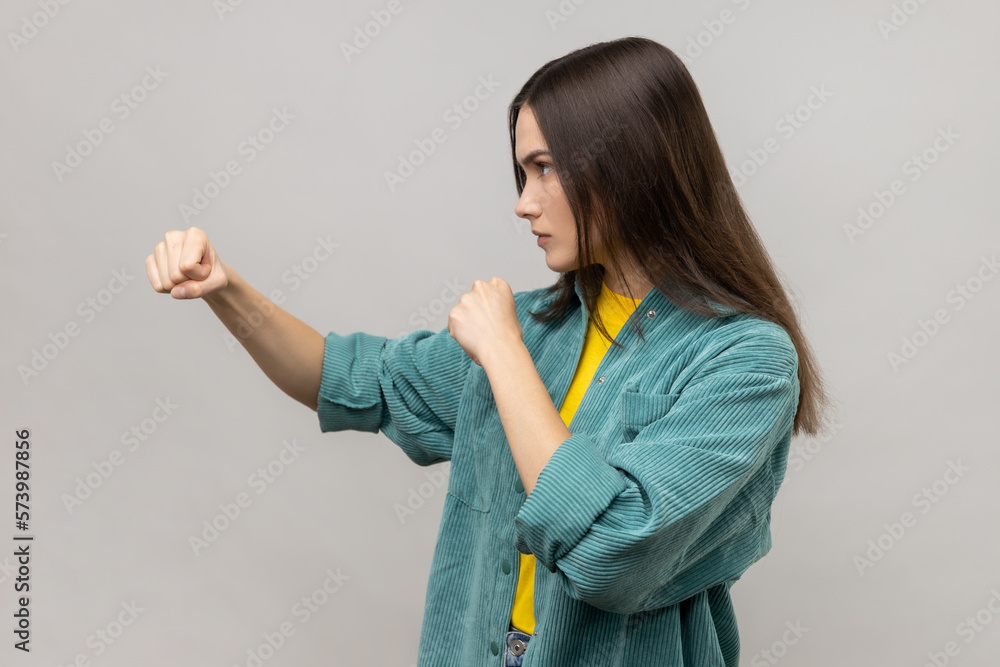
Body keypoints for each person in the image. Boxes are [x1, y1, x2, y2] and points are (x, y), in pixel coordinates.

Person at [146, 35, 831, 667]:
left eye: (543, 170)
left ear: (627, 165)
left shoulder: (747, 361)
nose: (522, 203)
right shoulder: (535, 323)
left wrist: (503, 355)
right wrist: (224, 289)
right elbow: (349, 380)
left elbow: (612, 552)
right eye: (520, 172)